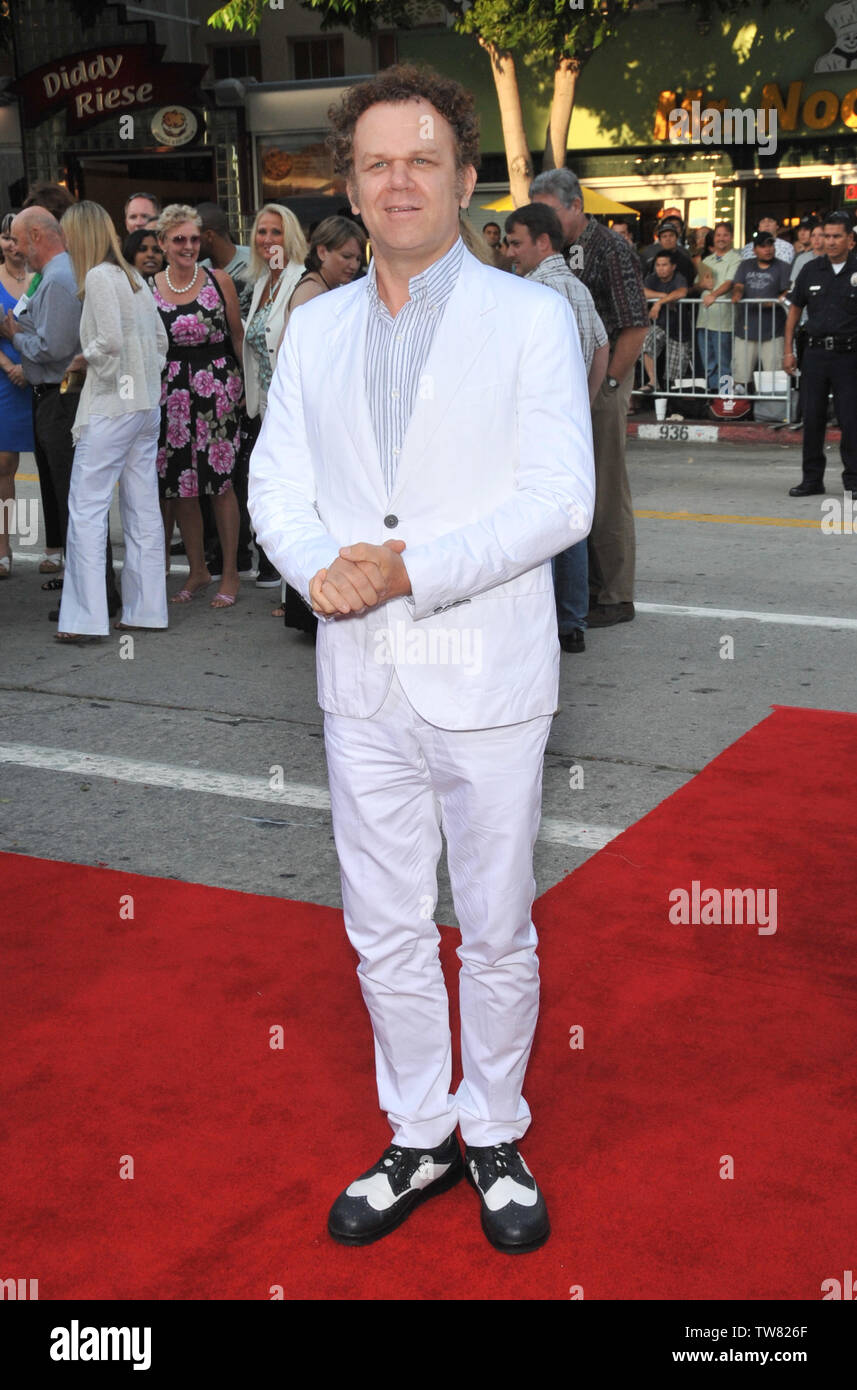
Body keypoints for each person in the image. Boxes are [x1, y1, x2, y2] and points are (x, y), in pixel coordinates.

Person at [249, 63, 594, 1254]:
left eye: (424, 160)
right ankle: (417, 1128)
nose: (400, 181)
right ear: (348, 181)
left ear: (462, 178)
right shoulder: (317, 322)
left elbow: (562, 500)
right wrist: (315, 567)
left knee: (493, 924)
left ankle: (492, 1126)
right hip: (359, 675)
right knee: (382, 923)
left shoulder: (531, 316)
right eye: (378, 161)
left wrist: (406, 568)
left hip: (485, 671)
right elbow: (274, 479)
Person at [530, 165, 648, 628]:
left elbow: (634, 324)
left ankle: (615, 595)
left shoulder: (610, 248)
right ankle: (587, 590)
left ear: (575, 206)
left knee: (606, 487)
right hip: (572, 385)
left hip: (602, 381)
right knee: (578, 489)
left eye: (548, 211)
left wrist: (610, 387)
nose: (542, 219)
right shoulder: (561, 250)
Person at [0, 206, 121, 619]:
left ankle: (93, 594)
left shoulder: (58, 277)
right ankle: (89, 589)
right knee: (69, 497)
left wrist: (15, 337)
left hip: (62, 395)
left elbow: (55, 348)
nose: (14, 248)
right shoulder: (54, 276)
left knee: (76, 498)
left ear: (36, 236)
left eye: (16, 239)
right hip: (54, 394)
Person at [55, 202, 168, 641]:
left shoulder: (101, 277)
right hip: (144, 406)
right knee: (141, 509)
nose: (65, 243)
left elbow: (109, 343)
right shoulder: (132, 276)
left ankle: (85, 618)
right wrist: (142, 378)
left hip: (113, 406)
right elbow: (160, 341)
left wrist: (87, 361)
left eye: (68, 235)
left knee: (86, 508)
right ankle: (146, 610)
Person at [504, 202, 607, 656]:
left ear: (543, 243)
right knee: (569, 521)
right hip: (570, 424)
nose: (510, 252)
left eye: (516, 242)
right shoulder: (578, 290)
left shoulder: (531, 292)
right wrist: (584, 402)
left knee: (537, 523)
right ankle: (572, 620)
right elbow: (602, 347)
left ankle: (544, 620)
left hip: (535, 425)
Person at [151, 203, 245, 609]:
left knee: (220, 486)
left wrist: (251, 394)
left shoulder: (218, 279)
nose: (188, 246)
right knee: (182, 488)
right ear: (162, 243)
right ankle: (197, 569)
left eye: (193, 238)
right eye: (178, 240)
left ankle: (229, 573)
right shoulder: (149, 285)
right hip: (171, 394)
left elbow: (237, 336)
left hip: (217, 391)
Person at [242, 204, 308, 590]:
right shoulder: (262, 280)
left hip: (293, 407)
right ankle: (288, 583)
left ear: (291, 238)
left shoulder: (300, 280)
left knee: (295, 492)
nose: (267, 240)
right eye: (262, 232)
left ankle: (295, 589)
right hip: (267, 405)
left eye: (276, 232)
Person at [784, 211, 857, 497]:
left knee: (850, 419)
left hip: (849, 356)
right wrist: (787, 350)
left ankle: (853, 480)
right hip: (814, 354)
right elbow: (794, 310)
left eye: (837, 236)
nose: (830, 242)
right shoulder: (810, 270)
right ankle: (812, 479)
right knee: (812, 418)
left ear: (851, 240)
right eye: (826, 236)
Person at [0, 211, 35, 579]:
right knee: (4, 465)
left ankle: (55, 548)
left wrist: (29, 368)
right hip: (5, 379)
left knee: (51, 466)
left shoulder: (43, 278)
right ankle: (3, 548)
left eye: (17, 237)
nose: (12, 244)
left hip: (42, 376)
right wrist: (10, 367)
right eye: (6, 237)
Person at [730, 231, 791, 393]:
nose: (768, 249)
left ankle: (773, 412)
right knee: (741, 375)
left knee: (773, 376)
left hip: (772, 330)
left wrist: (771, 302)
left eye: (770, 245)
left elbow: (787, 292)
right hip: (745, 328)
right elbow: (738, 284)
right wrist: (737, 293)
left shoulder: (783, 266)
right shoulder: (745, 265)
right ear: (755, 249)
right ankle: (742, 410)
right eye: (763, 246)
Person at [695, 221, 742, 392]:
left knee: (724, 363)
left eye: (725, 235)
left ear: (731, 238)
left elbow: (730, 283)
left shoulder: (736, 259)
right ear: (713, 239)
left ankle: (725, 400)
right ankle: (713, 397)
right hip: (704, 319)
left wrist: (713, 295)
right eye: (718, 235)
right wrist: (702, 286)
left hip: (724, 320)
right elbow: (698, 285)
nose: (721, 238)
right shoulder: (707, 260)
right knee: (708, 362)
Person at [640, 249, 691, 392]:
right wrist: (663, 296)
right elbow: (642, 291)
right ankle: (653, 381)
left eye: (664, 265)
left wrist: (658, 303)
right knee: (646, 343)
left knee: (674, 374)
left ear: (673, 266)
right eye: (658, 265)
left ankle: (672, 404)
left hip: (679, 329)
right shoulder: (651, 278)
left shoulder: (679, 278)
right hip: (660, 325)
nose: (660, 268)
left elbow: (682, 292)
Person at [197, 203, 253, 317]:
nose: (188, 245)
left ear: (209, 236)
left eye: (194, 238)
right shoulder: (199, 270)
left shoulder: (256, 261)